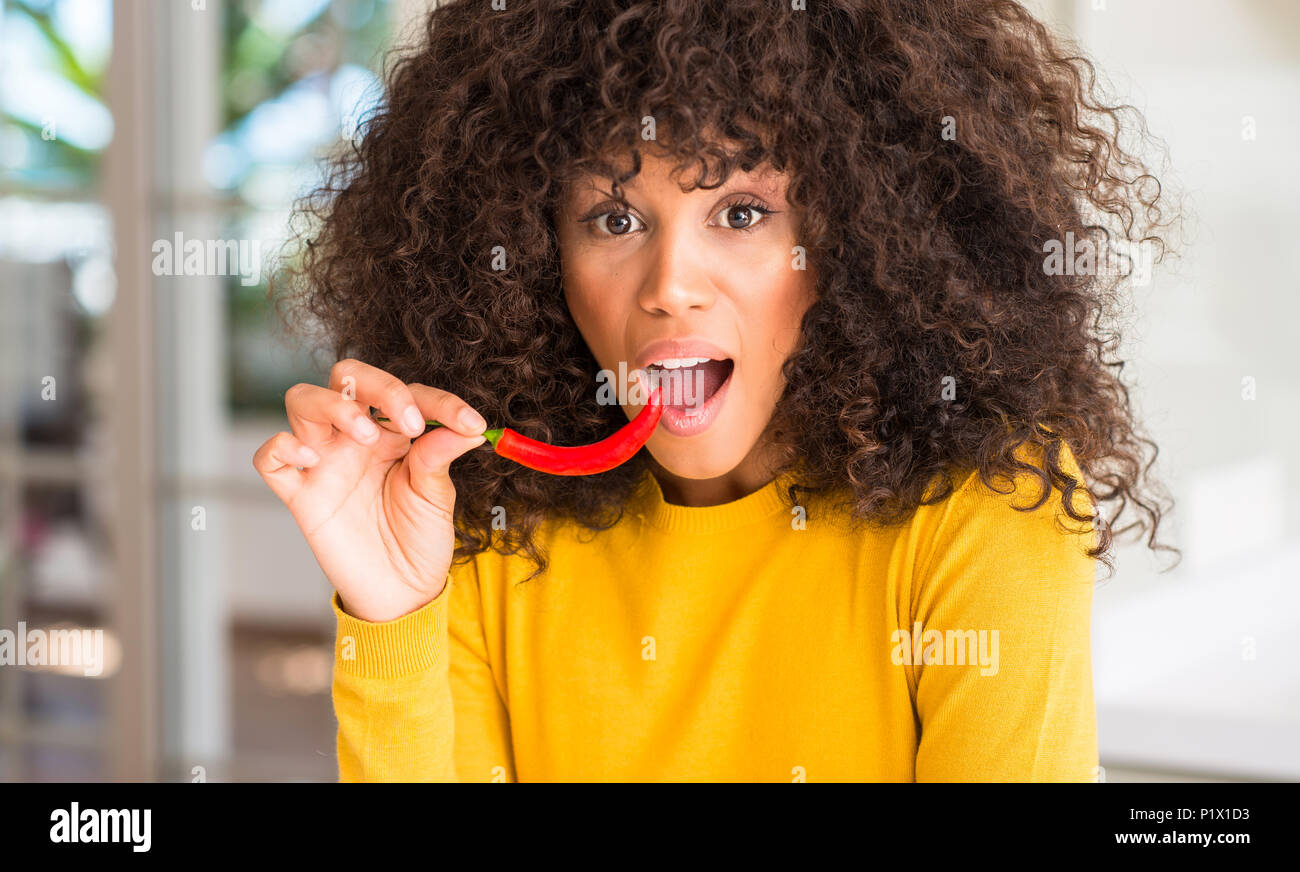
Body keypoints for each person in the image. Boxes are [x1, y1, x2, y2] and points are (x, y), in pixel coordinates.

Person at [255, 0, 1178, 782]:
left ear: (856, 239)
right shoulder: (481, 517)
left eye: (741, 213)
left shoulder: (982, 506)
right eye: (615, 218)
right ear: (538, 260)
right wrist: (394, 613)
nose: (670, 283)